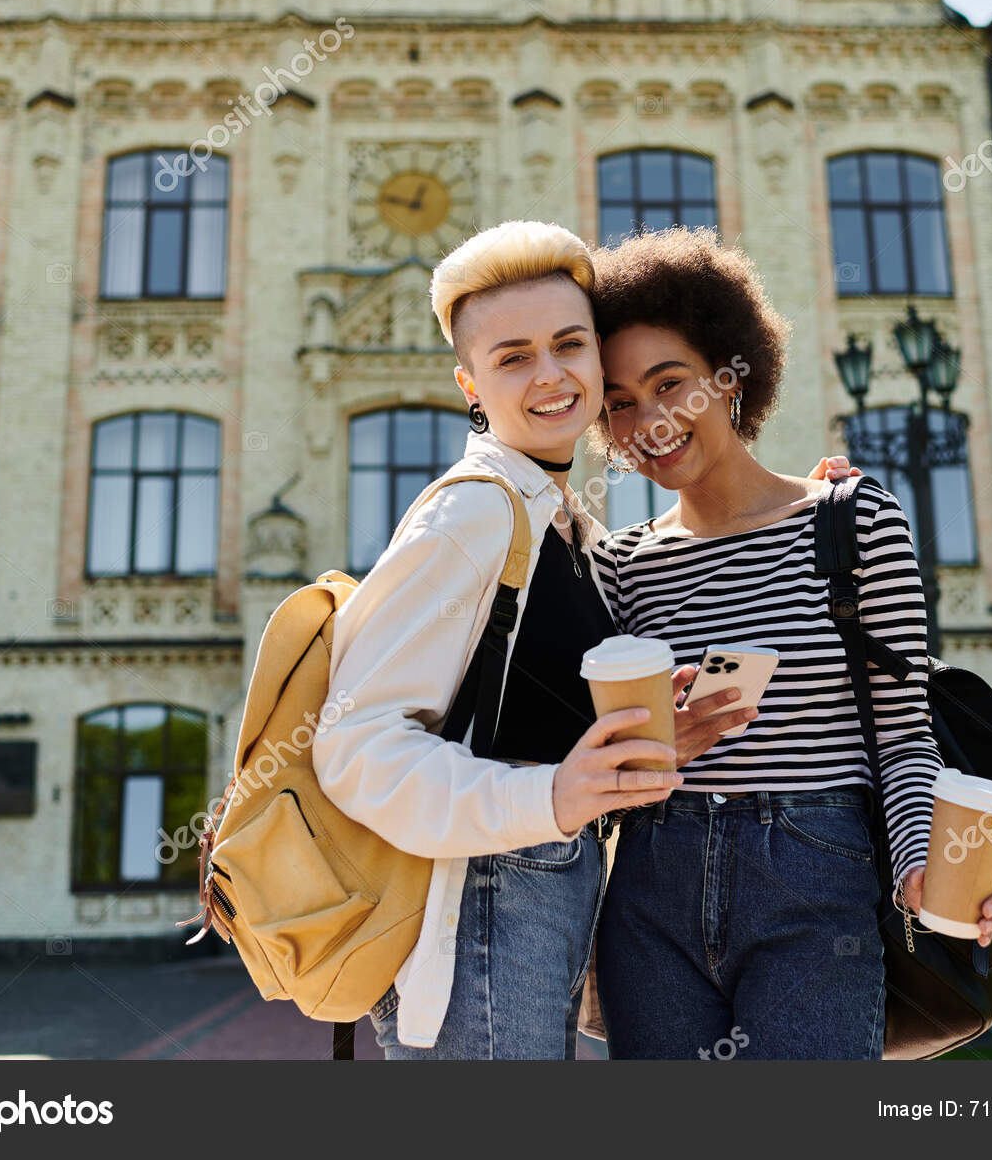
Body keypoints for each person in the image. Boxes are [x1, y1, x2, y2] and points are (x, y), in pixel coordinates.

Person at [311, 221, 753, 1059]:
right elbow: (354, 744)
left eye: (568, 345)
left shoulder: (555, 521)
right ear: (469, 383)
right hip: (481, 911)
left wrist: (803, 500)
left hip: (533, 907)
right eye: (513, 357)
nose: (549, 375)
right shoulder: (473, 511)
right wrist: (551, 799)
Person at [587, 226, 992, 1060]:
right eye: (620, 400)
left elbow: (901, 733)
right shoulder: (618, 566)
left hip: (815, 880)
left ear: (729, 372)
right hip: (651, 888)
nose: (651, 419)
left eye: (670, 381)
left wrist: (925, 862)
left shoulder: (856, 523)